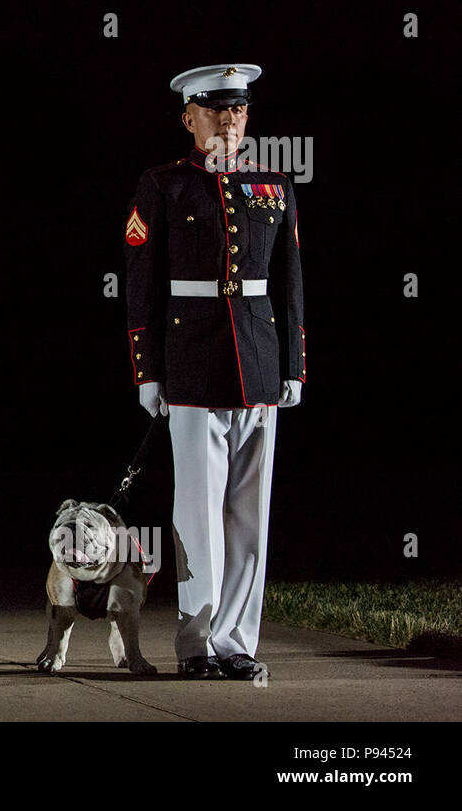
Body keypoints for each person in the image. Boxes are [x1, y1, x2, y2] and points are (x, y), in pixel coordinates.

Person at [124, 63, 304, 680]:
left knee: (250, 516)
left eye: (239, 109)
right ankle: (197, 645)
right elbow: (142, 284)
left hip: (259, 364)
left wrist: (294, 364)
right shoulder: (163, 186)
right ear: (189, 117)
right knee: (198, 516)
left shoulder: (272, 186)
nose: (229, 119)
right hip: (193, 365)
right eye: (216, 109)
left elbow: (289, 283)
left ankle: (237, 644)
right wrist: (148, 371)